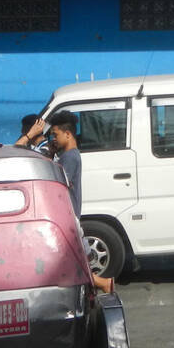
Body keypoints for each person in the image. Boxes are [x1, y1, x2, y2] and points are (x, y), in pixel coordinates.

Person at [45, 111, 112, 293]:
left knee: (73, 262)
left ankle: (103, 284)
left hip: (68, 218)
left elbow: (57, 186)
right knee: (76, 262)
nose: (53, 139)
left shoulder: (70, 158)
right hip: (70, 218)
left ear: (68, 134)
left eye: (55, 135)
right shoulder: (69, 156)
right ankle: (100, 285)